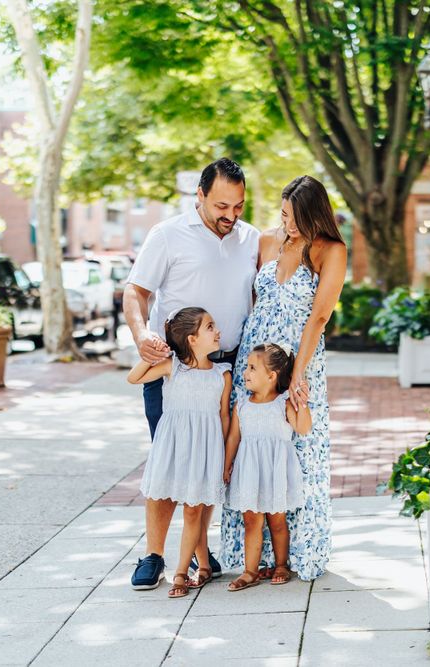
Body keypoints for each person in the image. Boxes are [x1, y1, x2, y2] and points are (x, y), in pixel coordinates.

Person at [122, 158, 260, 591]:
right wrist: (141, 333)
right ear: (198, 195)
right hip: (176, 369)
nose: (230, 216)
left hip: (232, 369)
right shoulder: (167, 235)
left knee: (209, 461)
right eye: (221, 205)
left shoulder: (250, 238)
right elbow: (136, 291)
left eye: (238, 206)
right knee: (168, 461)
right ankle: (154, 554)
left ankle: (200, 550)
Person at [220, 175, 346, 581]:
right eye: (283, 215)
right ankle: (252, 556)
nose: (286, 225)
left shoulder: (331, 250)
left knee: (300, 453)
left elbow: (319, 316)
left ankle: (296, 554)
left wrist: (297, 375)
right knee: (252, 448)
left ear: (313, 215)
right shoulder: (267, 243)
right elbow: (253, 302)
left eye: (294, 218)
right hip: (255, 363)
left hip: (300, 363)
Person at [127, 307, 232, 598]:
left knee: (194, 509)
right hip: (175, 446)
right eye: (210, 327)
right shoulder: (173, 367)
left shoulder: (222, 375)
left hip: (206, 448)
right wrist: (151, 355)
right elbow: (134, 379)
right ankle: (174, 563)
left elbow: (224, 417)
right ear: (192, 339)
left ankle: (183, 573)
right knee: (171, 498)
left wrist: (224, 455)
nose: (217, 330)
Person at [223, 342, 311, 591]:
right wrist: (227, 465)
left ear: (271, 376)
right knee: (251, 521)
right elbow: (233, 438)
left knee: (277, 520)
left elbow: (303, 429)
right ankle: (250, 571)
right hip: (249, 471)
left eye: (252, 368)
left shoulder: (283, 403)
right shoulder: (243, 404)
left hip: (275, 471)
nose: (245, 372)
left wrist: (302, 403)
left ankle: (281, 564)